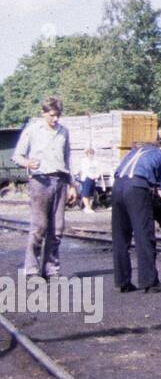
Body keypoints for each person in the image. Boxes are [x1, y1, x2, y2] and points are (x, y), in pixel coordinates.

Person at [111, 137, 161, 293]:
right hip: (137, 189)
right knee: (144, 235)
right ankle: (149, 282)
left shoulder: (135, 151)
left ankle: (123, 282)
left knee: (121, 237)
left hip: (117, 188)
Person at [11, 97, 72, 279]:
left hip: (60, 181)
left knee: (58, 229)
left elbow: (68, 158)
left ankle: (51, 270)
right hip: (40, 182)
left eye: (58, 115)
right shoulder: (32, 131)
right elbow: (17, 156)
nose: (55, 119)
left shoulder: (64, 132)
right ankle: (31, 270)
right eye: (52, 115)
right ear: (43, 113)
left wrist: (72, 184)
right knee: (39, 227)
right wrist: (28, 162)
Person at [76, 147, 101, 213]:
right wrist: (90, 176)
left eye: (92, 153)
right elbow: (84, 170)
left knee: (91, 194)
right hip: (87, 178)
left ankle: (89, 207)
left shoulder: (95, 161)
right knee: (85, 193)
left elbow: (98, 169)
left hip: (94, 178)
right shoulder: (84, 161)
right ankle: (87, 207)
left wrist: (96, 176)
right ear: (87, 154)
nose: (91, 155)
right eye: (90, 153)